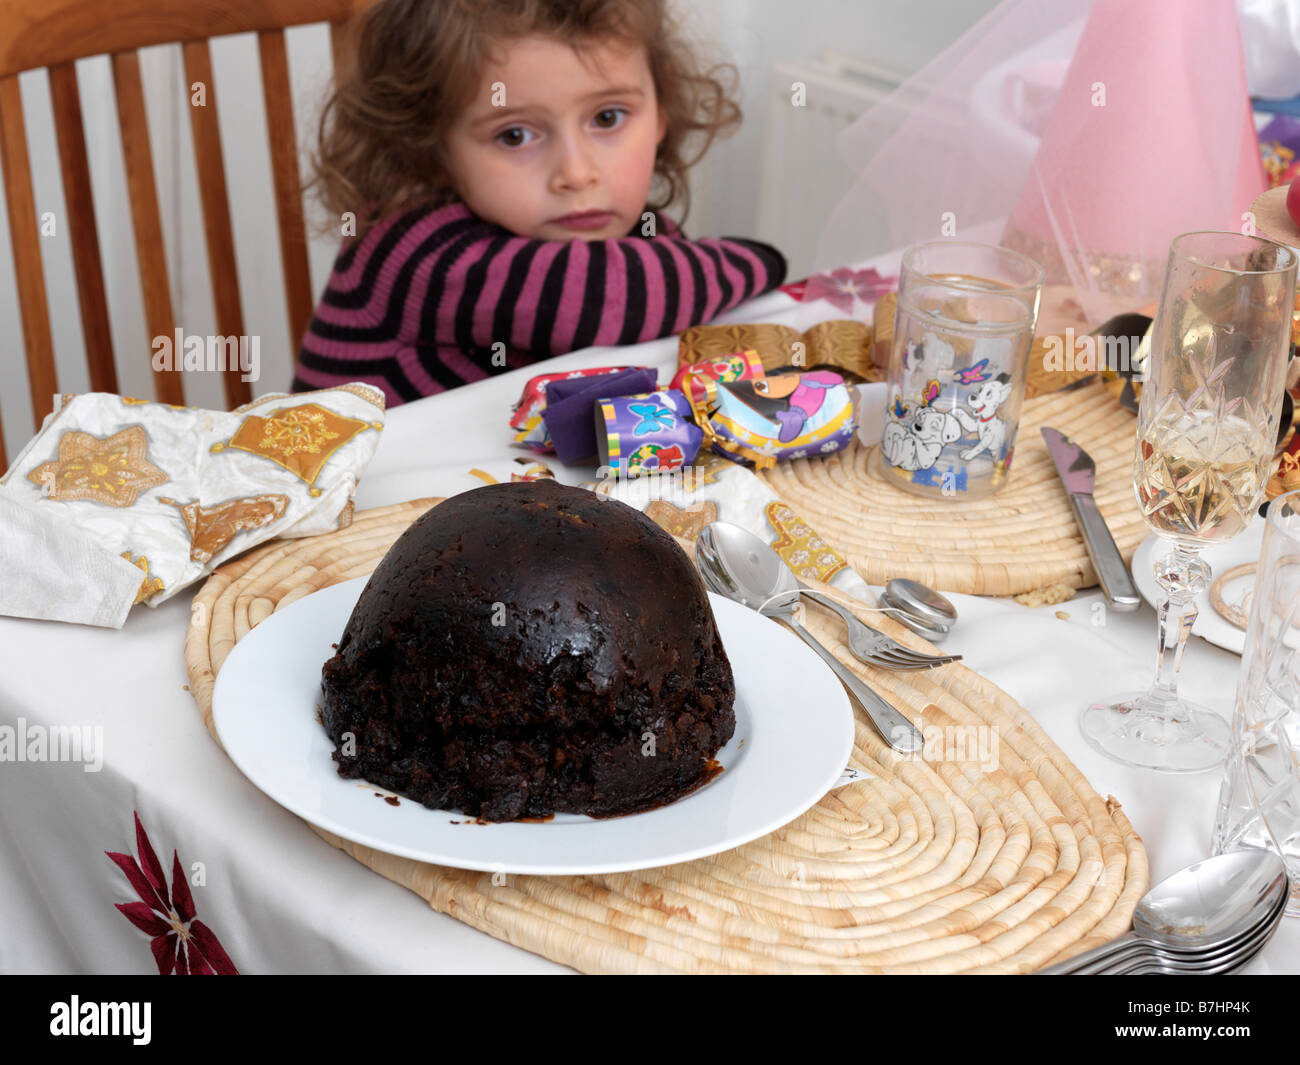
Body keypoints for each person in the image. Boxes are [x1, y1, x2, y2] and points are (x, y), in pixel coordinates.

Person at [291, 0, 787, 405]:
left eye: (608, 117)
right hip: (345, 518)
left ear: (660, 108)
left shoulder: (622, 231)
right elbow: (608, 297)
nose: (575, 173)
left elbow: (666, 293)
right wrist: (761, 259)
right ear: (431, 144)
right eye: (515, 134)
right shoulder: (408, 246)